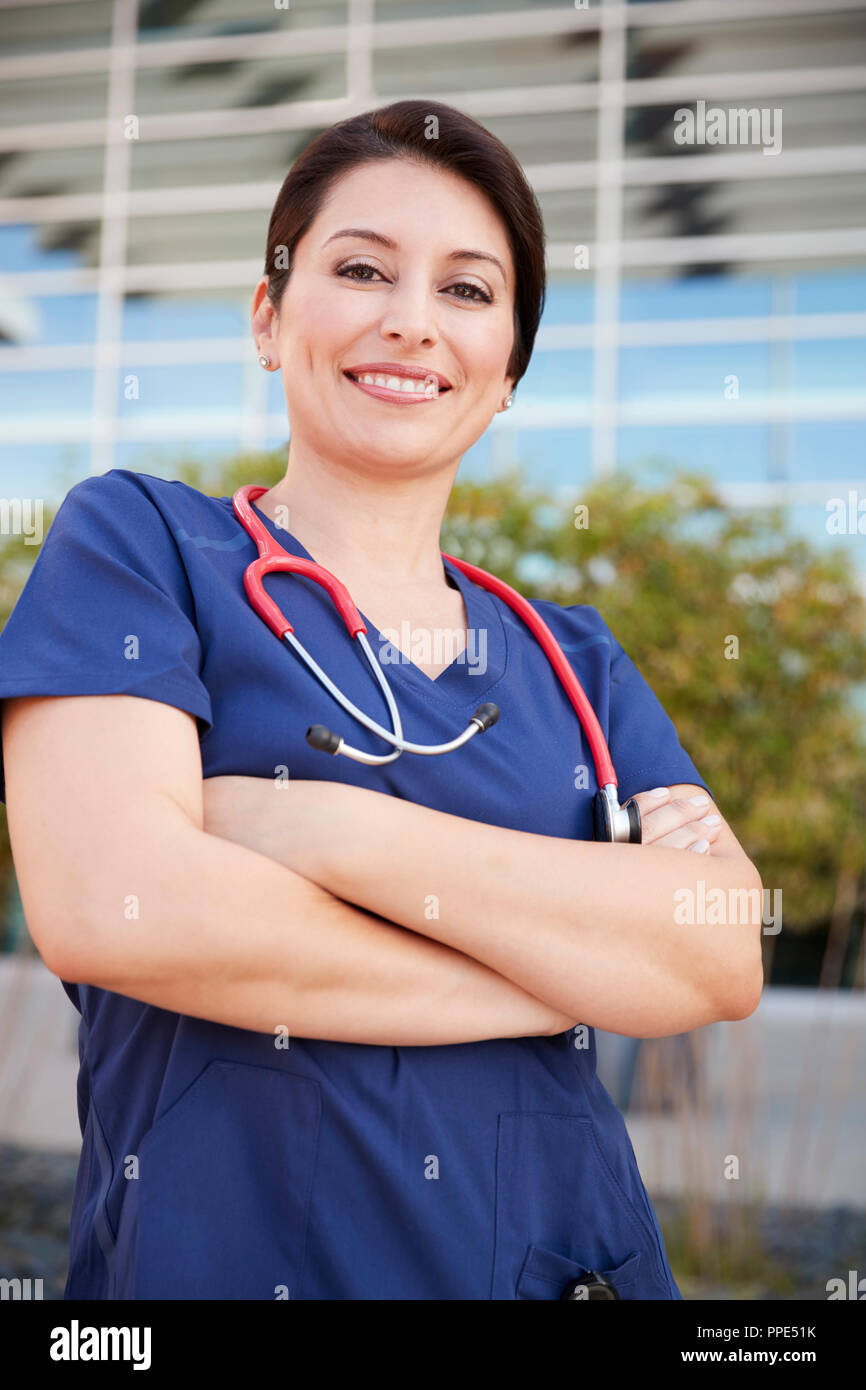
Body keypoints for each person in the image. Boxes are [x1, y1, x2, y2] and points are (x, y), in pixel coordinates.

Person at [0, 99, 763, 1301]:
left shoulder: (573, 658)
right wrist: (570, 968)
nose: (411, 320)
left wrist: (314, 827)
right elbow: (120, 907)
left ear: (505, 368)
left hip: (560, 1265)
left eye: (467, 291)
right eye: (361, 269)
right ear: (267, 315)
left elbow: (719, 953)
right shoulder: (140, 547)